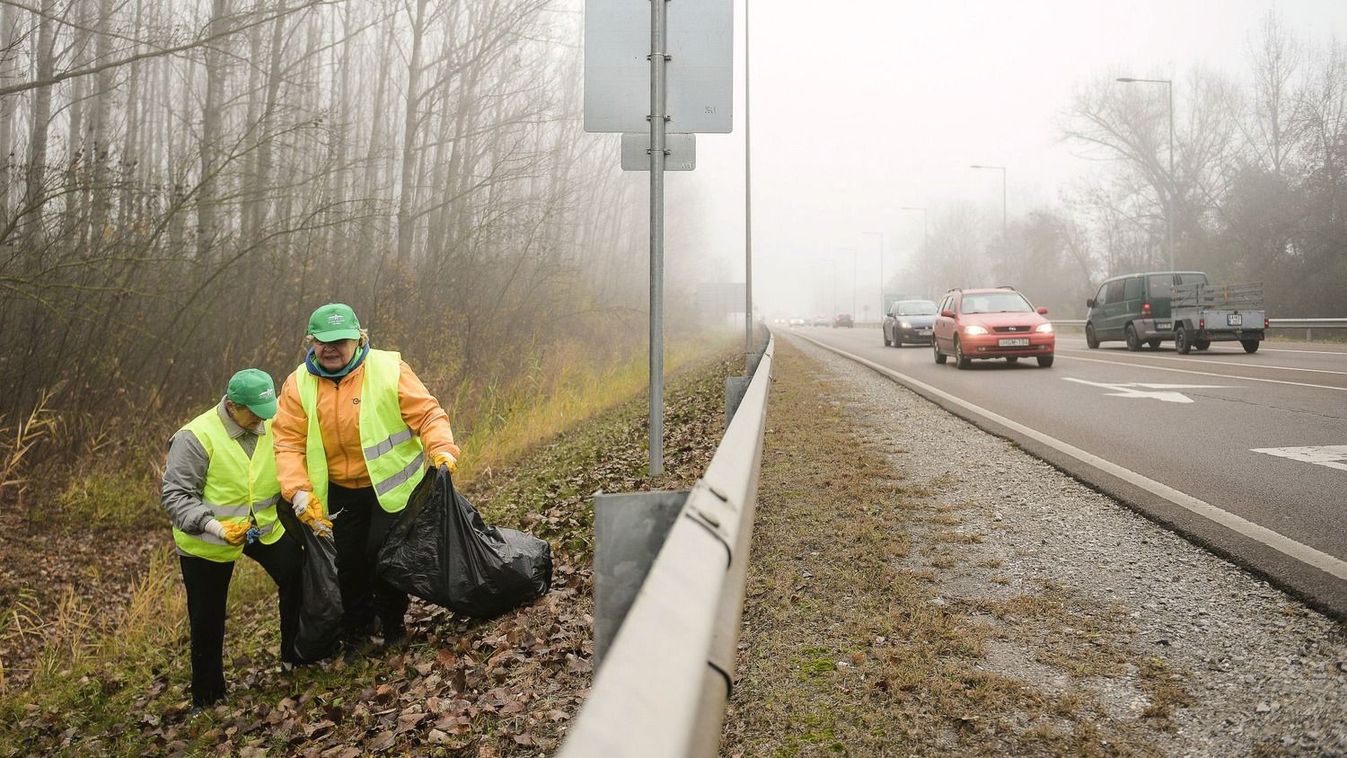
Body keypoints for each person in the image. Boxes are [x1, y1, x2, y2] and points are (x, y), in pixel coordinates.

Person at [273, 303, 460, 646]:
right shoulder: (297, 384)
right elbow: (287, 444)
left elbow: (428, 415)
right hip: (338, 492)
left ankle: (392, 625)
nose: (330, 349)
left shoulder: (389, 369)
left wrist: (442, 450)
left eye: (340, 341)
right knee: (347, 563)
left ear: (359, 339)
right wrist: (298, 491)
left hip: (391, 488)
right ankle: (357, 632)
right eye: (322, 341)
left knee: (382, 556)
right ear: (310, 341)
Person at [160, 369, 313, 710]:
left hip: (263, 529)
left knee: (298, 575)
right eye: (254, 415)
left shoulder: (271, 423)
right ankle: (208, 696)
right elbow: (176, 496)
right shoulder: (195, 437)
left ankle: (295, 656)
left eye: (266, 413)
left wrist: (303, 495)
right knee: (207, 618)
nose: (262, 422)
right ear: (232, 405)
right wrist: (215, 527)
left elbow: (293, 461)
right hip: (209, 539)